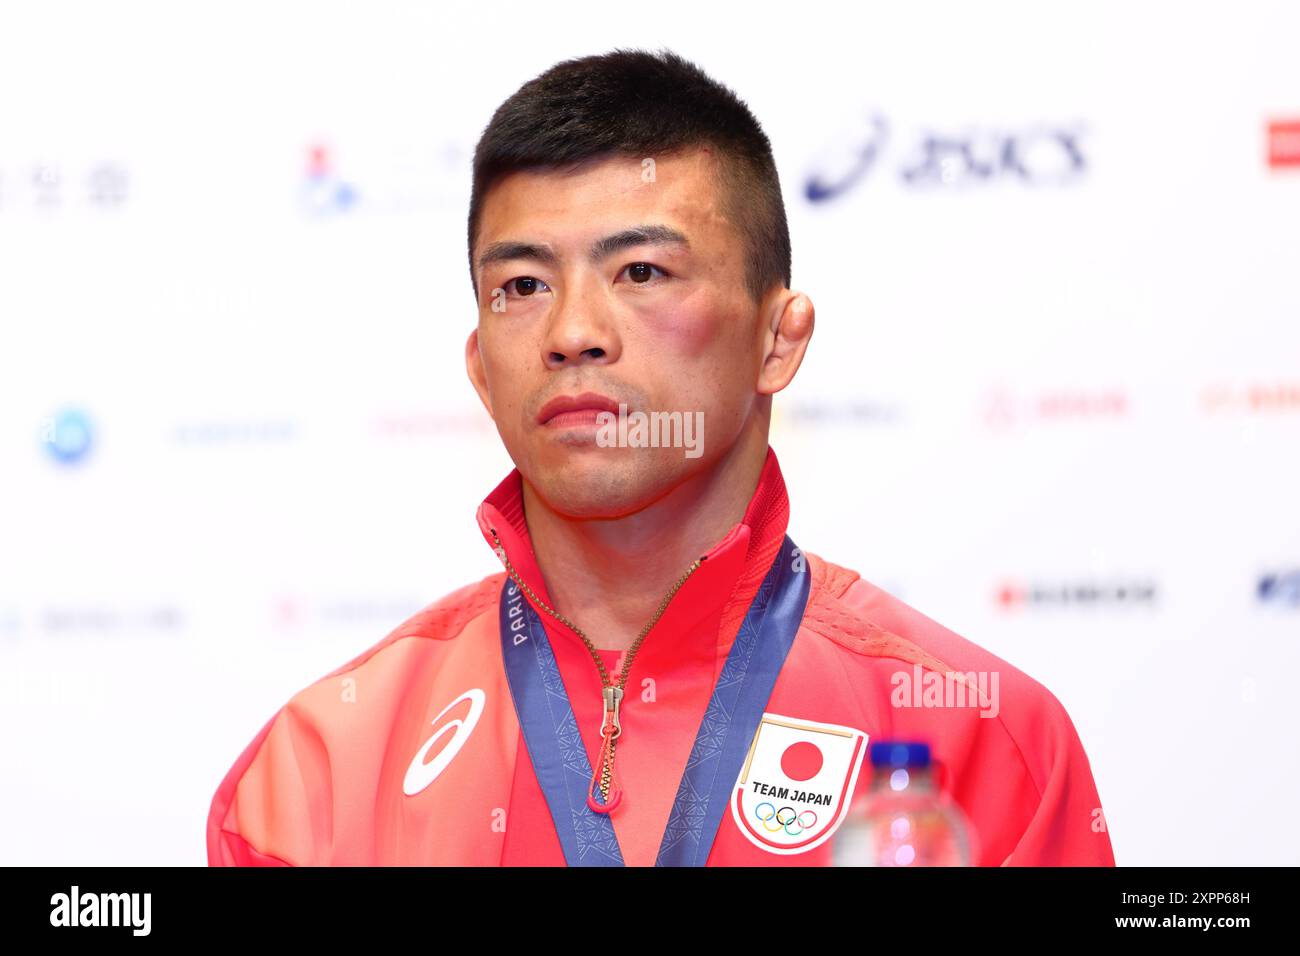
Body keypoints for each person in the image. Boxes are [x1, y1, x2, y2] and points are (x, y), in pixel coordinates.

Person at [207, 47, 1115, 867]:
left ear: (778, 338)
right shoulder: (317, 774)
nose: (571, 333)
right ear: (481, 369)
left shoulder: (981, 747)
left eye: (640, 272)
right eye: (521, 286)